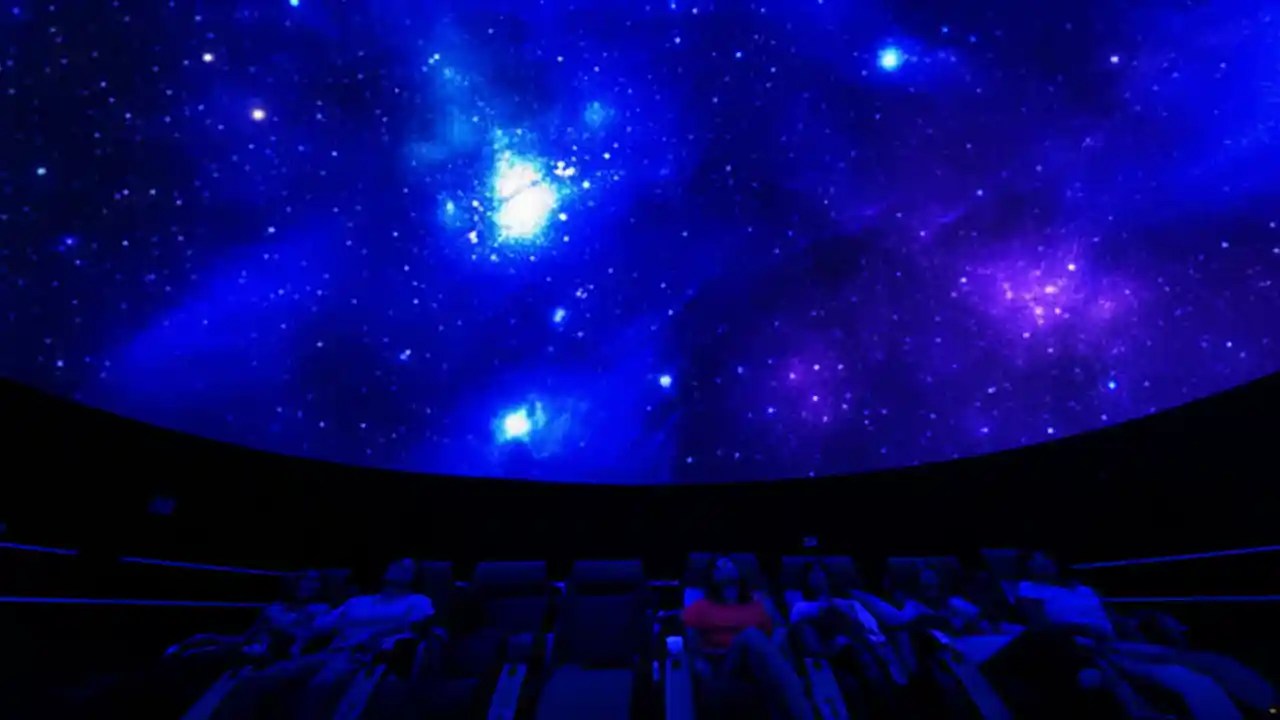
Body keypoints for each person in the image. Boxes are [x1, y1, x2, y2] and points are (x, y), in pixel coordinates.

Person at [1014, 551, 1247, 720]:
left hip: (1116, 643)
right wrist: (1081, 630)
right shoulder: (1029, 590)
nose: (1044, 563)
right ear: (1027, 568)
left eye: (1046, 557)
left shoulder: (1081, 587)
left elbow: (1113, 617)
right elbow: (1039, 628)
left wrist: (1146, 618)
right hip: (1086, 647)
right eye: (1036, 561)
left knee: (1199, 675)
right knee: (1189, 674)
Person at [209, 558, 433, 720]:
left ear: (413, 577)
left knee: (321, 684)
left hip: (365, 655)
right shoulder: (358, 601)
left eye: (406, 566)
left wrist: (378, 635)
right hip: (332, 652)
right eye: (395, 563)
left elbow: (417, 624)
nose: (398, 567)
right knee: (259, 678)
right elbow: (317, 627)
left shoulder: (418, 600)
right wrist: (288, 619)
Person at [681, 555, 814, 720]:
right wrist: (698, 663)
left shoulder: (758, 603)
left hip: (760, 663)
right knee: (751, 635)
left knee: (764, 650)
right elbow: (691, 644)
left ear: (739, 571)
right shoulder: (701, 607)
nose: (725, 568)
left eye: (729, 563)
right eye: (719, 566)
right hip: (726, 665)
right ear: (711, 576)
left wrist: (777, 640)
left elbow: (780, 627)